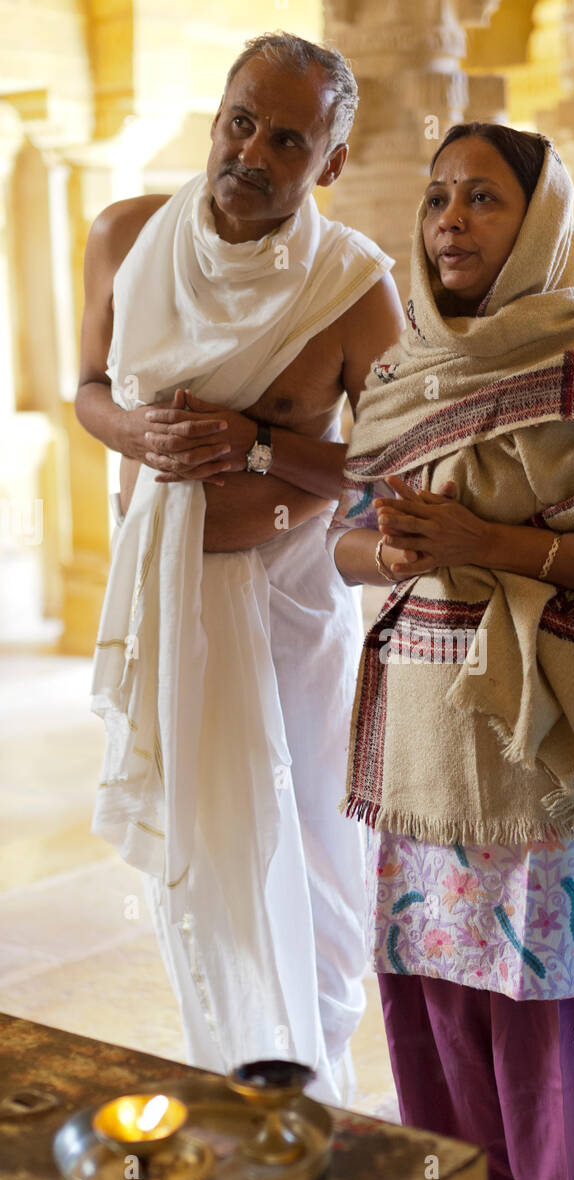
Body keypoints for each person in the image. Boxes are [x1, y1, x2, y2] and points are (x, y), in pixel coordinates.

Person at [329, 123, 574, 1180]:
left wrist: (487, 544)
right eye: (436, 198)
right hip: (422, 718)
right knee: (431, 983)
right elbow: (342, 549)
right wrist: (393, 546)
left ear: (535, 219)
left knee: (550, 991)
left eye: (481, 199)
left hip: (547, 724)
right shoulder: (400, 372)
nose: (448, 223)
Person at [77, 33, 405, 1105]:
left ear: (332, 161)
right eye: (240, 122)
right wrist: (137, 433)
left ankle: (316, 1097)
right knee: (200, 859)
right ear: (218, 115)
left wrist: (254, 443)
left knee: (301, 849)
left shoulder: (354, 287)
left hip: (288, 602)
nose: (252, 151)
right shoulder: (126, 235)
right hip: (167, 599)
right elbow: (86, 388)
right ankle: (233, 1080)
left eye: (288, 139)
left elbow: (393, 462)